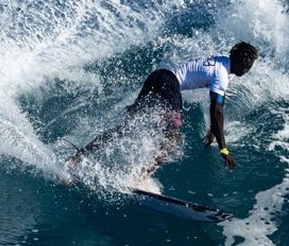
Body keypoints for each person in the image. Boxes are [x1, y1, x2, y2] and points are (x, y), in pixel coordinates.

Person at [66, 41, 259, 176]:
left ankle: (77, 157)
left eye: (249, 65)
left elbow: (217, 106)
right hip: (168, 84)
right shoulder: (222, 74)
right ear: (236, 59)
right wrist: (223, 149)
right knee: (172, 141)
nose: (246, 69)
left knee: (126, 128)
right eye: (245, 65)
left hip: (157, 77)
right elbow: (216, 110)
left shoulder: (223, 63)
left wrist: (212, 132)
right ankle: (138, 177)